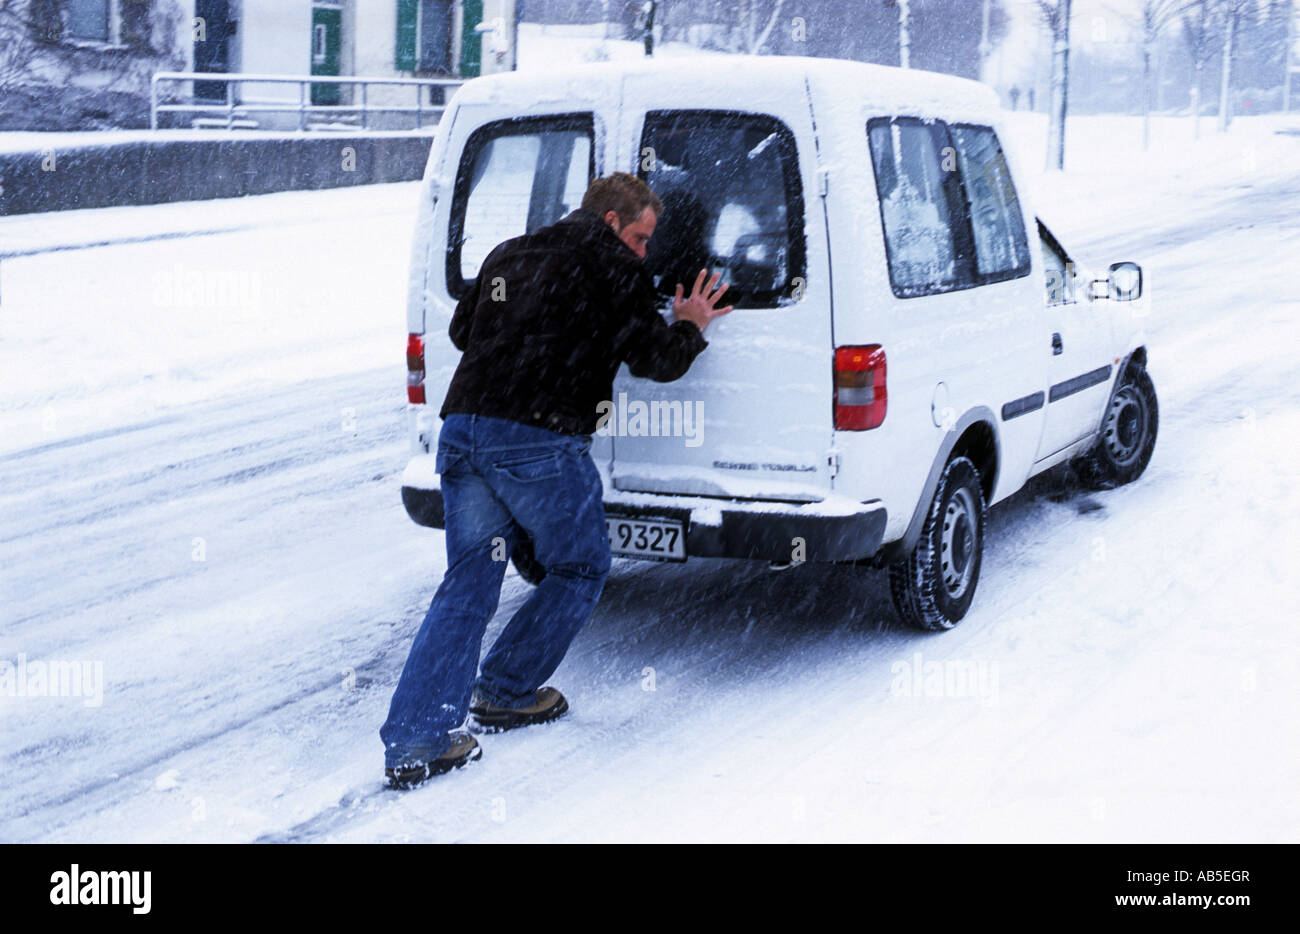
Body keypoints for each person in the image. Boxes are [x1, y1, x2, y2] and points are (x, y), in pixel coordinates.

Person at [380, 172, 734, 788]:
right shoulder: (614, 268)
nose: (645, 252)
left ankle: (418, 738)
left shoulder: (509, 252)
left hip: (464, 431)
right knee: (580, 565)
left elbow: (465, 332)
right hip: (538, 439)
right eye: (642, 237)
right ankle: (508, 689)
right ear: (611, 224)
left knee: (466, 587)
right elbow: (658, 360)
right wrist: (689, 323)